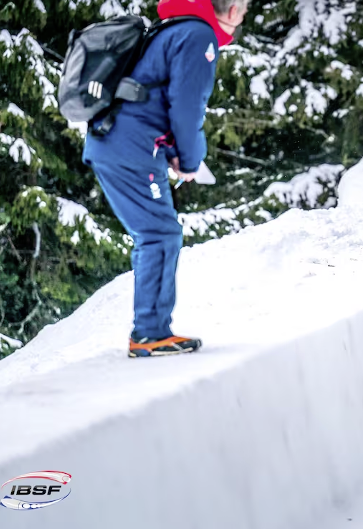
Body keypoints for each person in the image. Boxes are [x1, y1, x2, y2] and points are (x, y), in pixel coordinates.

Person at [82, 0, 248, 357]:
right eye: (245, 7)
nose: (245, 15)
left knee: (156, 233)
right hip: (130, 146)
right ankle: (150, 334)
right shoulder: (197, 34)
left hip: (117, 140)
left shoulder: (175, 28)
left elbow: (152, 97)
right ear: (232, 9)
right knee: (159, 234)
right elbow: (187, 109)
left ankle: (150, 332)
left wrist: (171, 152)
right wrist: (189, 159)